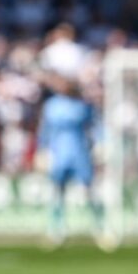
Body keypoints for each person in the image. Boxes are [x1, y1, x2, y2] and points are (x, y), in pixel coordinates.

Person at [36, 75, 111, 249]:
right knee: (58, 191)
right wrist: (42, 150)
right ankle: (56, 229)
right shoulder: (52, 106)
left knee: (89, 190)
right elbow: (45, 130)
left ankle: (100, 227)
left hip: (80, 151)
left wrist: (102, 143)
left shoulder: (83, 105)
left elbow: (96, 126)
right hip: (59, 153)